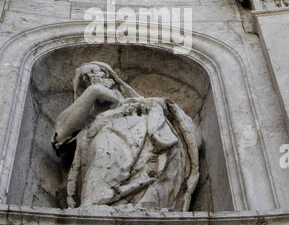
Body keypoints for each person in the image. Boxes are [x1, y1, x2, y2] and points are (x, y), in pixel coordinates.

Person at [51, 61, 201, 211]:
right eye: (85, 79)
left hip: (145, 156)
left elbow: (191, 136)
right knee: (105, 149)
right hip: (106, 148)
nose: (92, 77)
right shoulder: (88, 114)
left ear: (112, 78)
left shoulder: (141, 104)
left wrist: (156, 108)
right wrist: (93, 92)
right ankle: (99, 202)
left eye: (97, 72)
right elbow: (60, 134)